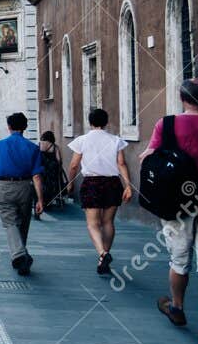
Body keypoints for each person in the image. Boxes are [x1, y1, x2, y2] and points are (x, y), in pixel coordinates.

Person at [151, 79, 198, 344]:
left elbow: (150, 157)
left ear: (182, 97)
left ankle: (177, 307)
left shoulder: (166, 124)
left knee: (179, 260)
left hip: (177, 205)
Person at [67, 107, 132, 276]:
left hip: (91, 183)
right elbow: (121, 163)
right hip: (112, 183)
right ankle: (104, 258)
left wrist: (70, 183)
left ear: (90, 122)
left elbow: (74, 165)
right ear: (106, 122)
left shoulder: (82, 140)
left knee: (92, 223)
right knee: (108, 222)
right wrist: (128, 186)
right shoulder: (115, 140)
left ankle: (102, 254)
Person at [0, 112, 46, 275]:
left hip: (4, 186)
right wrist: (40, 199)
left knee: (9, 223)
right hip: (25, 186)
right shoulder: (33, 148)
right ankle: (21, 257)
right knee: (23, 222)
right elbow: (36, 176)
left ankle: (19, 255)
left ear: (9, 127)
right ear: (25, 127)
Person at [38, 130, 68, 208]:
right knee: (56, 181)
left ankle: (43, 199)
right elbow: (59, 160)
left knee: (42, 182)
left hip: (42, 168)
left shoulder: (39, 144)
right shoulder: (55, 147)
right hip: (53, 169)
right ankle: (54, 197)